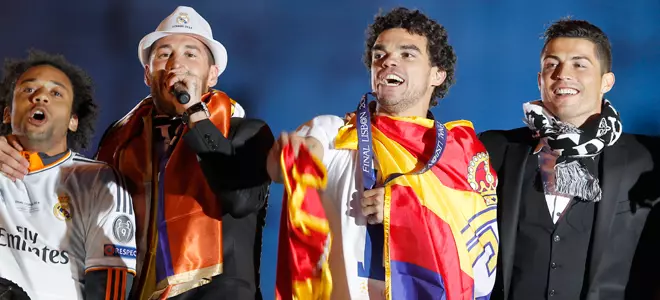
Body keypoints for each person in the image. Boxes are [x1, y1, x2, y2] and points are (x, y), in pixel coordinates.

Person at [0, 6, 273, 300]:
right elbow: (65, 198)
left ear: (213, 74)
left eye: (191, 54)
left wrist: (194, 113)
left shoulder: (248, 133)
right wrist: (11, 148)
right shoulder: (121, 143)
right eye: (164, 54)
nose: (176, 64)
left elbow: (241, 198)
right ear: (147, 73)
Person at [269, 7, 499, 300]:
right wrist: (291, 156)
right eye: (380, 55)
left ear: (437, 74)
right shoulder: (334, 132)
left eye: (407, 54)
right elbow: (280, 169)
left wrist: (401, 210)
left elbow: (479, 265)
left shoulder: (460, 155)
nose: (388, 60)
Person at [479, 18, 660, 300]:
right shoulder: (493, 149)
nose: (563, 73)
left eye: (579, 64)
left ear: (606, 82)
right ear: (540, 80)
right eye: (552, 64)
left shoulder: (650, 159)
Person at [0, 50, 135, 299]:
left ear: (73, 120)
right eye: (28, 90)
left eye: (56, 93)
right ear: (8, 114)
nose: (40, 97)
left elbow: (111, 278)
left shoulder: (95, 180)